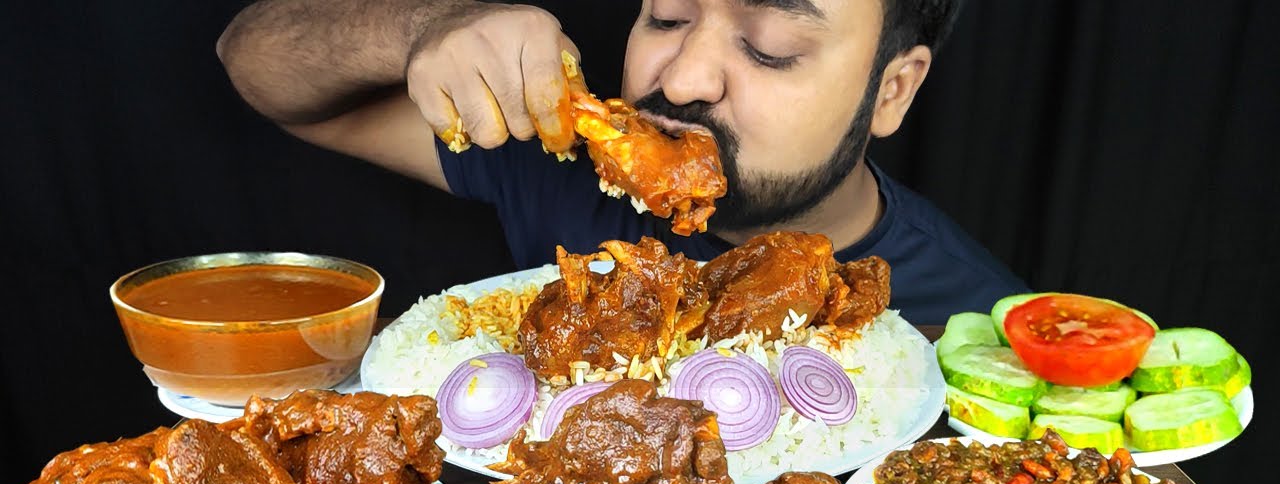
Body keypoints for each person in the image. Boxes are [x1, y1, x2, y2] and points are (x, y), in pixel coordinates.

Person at [218, 0, 1027, 324]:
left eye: (770, 49)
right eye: (668, 15)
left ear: (893, 90)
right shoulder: (555, 161)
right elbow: (257, 67)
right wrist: (422, 28)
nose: (680, 80)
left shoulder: (982, 326)